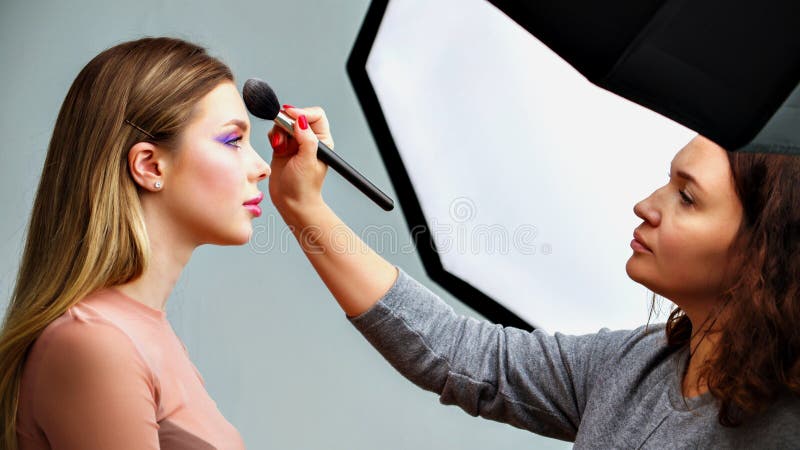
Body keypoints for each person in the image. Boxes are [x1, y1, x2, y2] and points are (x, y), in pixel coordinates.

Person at [266, 107, 800, 447]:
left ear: (765, 249)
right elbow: (465, 357)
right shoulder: (634, 364)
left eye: (686, 197)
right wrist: (303, 208)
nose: (645, 206)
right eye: (667, 182)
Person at [0, 37, 270, 449]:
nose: (261, 167)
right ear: (148, 164)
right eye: (233, 141)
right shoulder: (94, 343)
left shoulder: (139, 333)